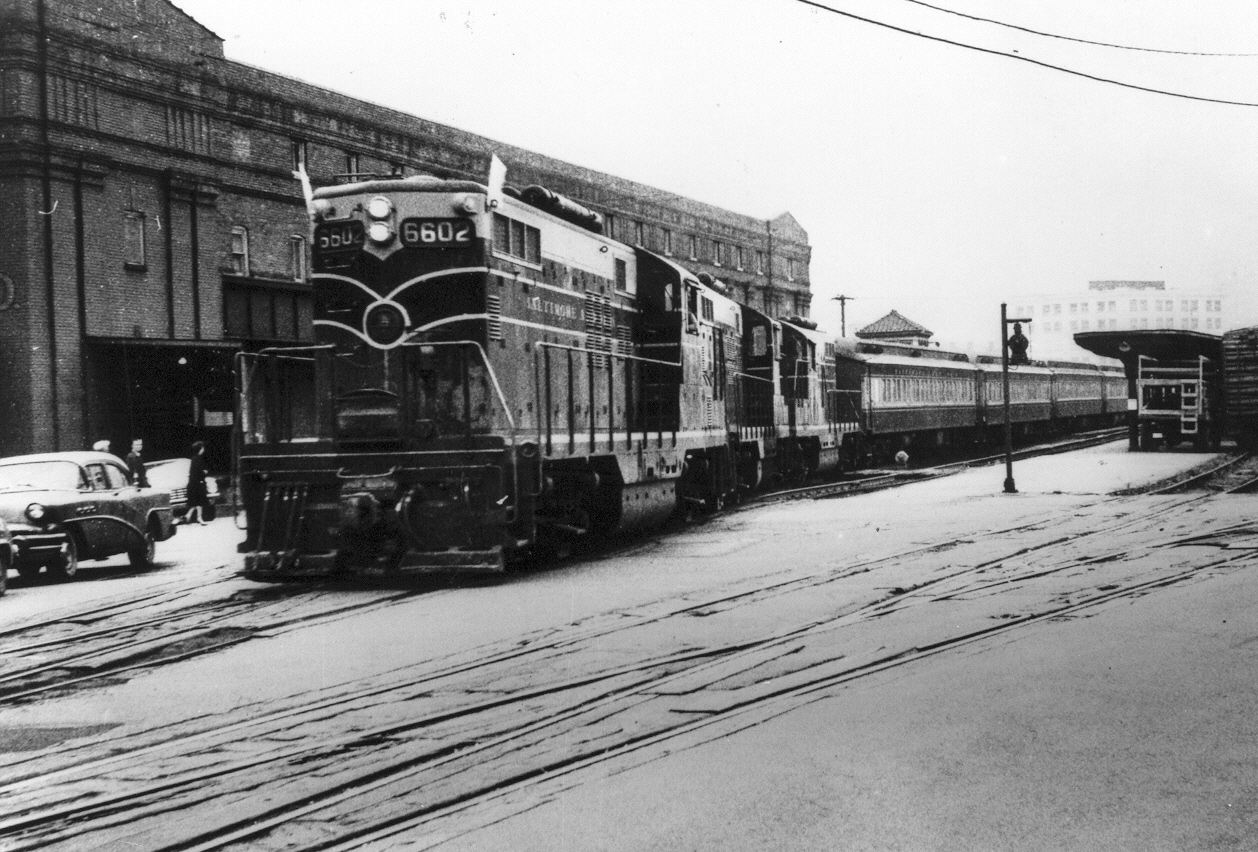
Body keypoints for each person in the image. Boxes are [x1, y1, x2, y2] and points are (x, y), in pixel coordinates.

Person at [183, 441, 210, 526]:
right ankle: (198, 518)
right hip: (197, 484)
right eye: (202, 448)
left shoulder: (194, 459)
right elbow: (199, 472)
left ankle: (188, 516)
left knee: (196, 502)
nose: (203, 449)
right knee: (199, 502)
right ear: (199, 449)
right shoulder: (197, 459)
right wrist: (204, 472)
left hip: (194, 483)